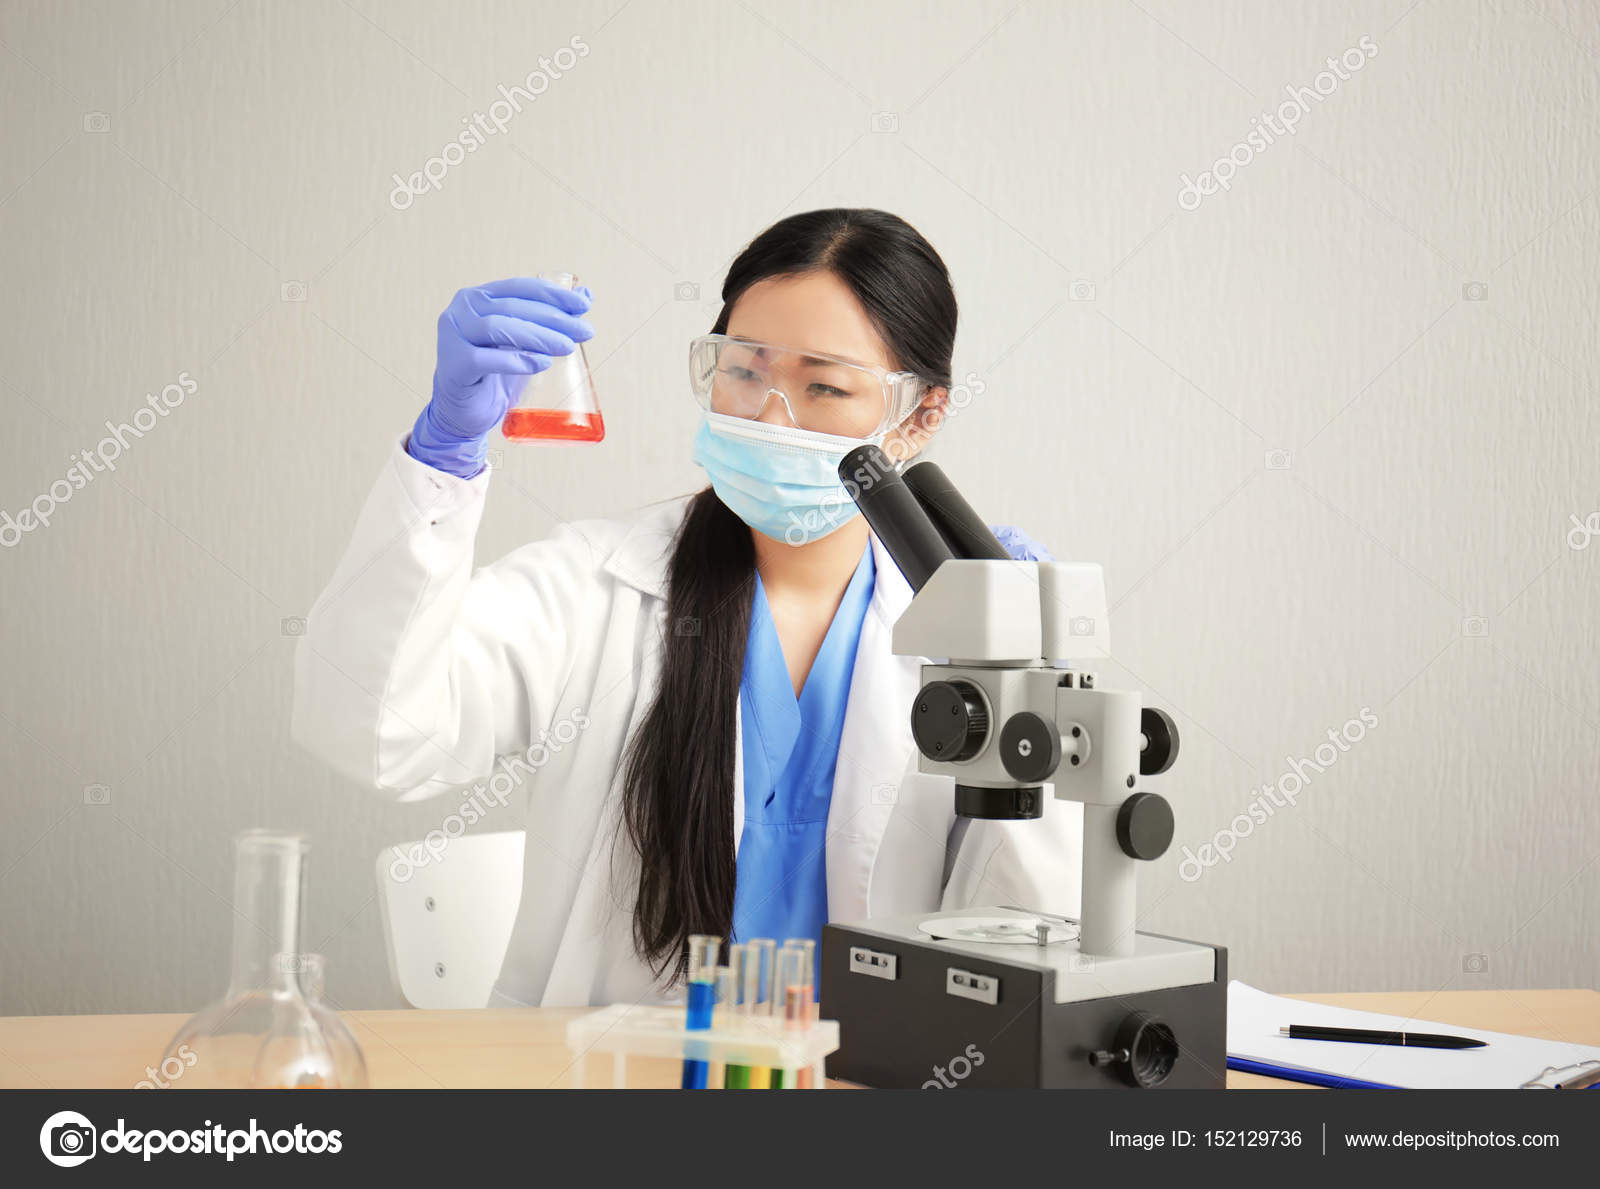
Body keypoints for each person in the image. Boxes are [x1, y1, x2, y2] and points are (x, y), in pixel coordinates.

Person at [292, 208, 1080, 1007]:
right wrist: (442, 458)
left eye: (824, 386)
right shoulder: (596, 585)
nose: (773, 414)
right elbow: (379, 730)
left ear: (920, 417)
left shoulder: (968, 626)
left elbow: (1025, 924)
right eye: (745, 370)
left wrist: (1035, 690)